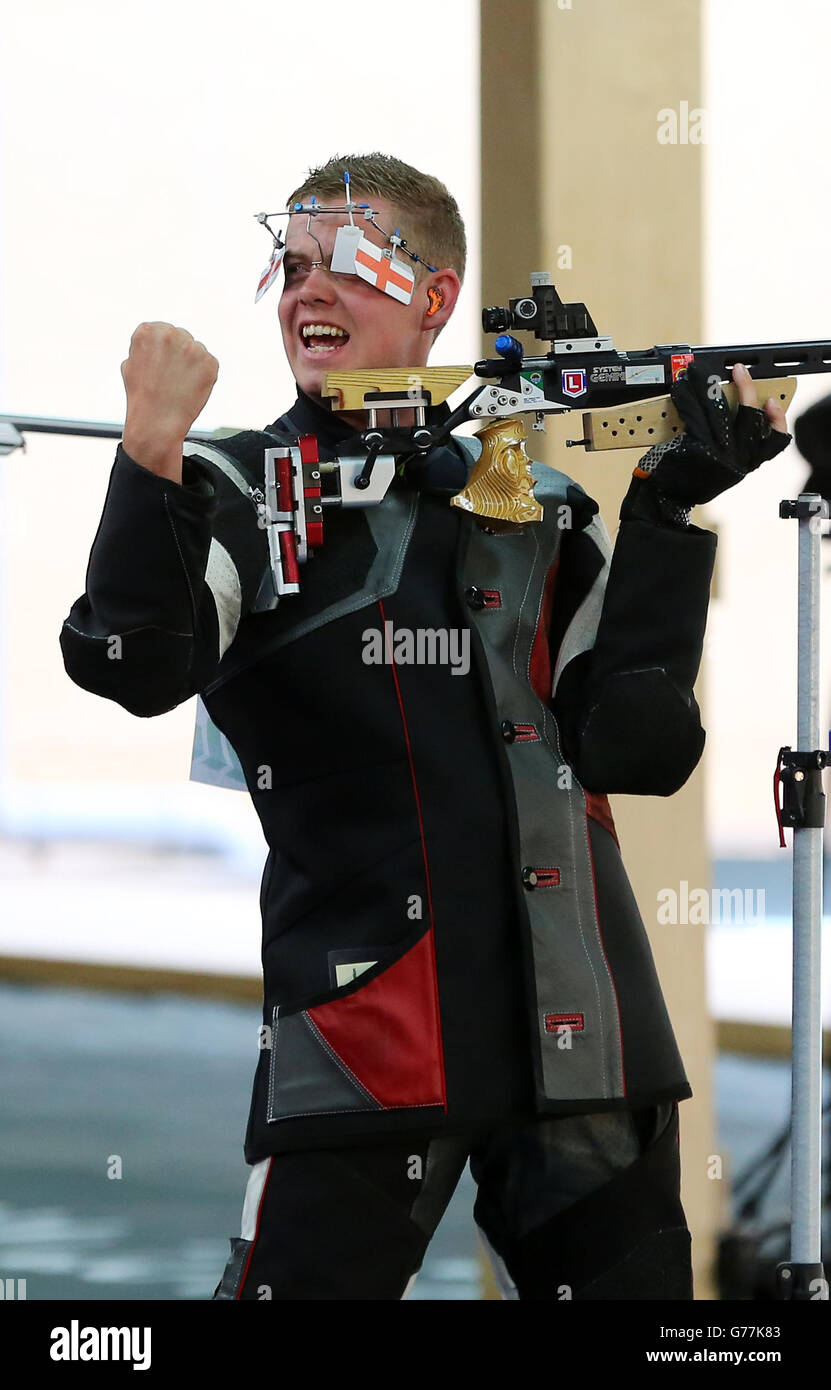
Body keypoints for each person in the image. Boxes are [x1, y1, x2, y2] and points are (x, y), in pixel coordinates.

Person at [59, 152, 790, 1300]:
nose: (307, 290)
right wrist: (147, 454)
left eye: (345, 259)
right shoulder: (240, 485)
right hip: (368, 1040)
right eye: (290, 264)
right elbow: (130, 661)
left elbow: (639, 749)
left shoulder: (542, 507)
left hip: (587, 1044)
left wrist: (667, 504)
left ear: (436, 296)